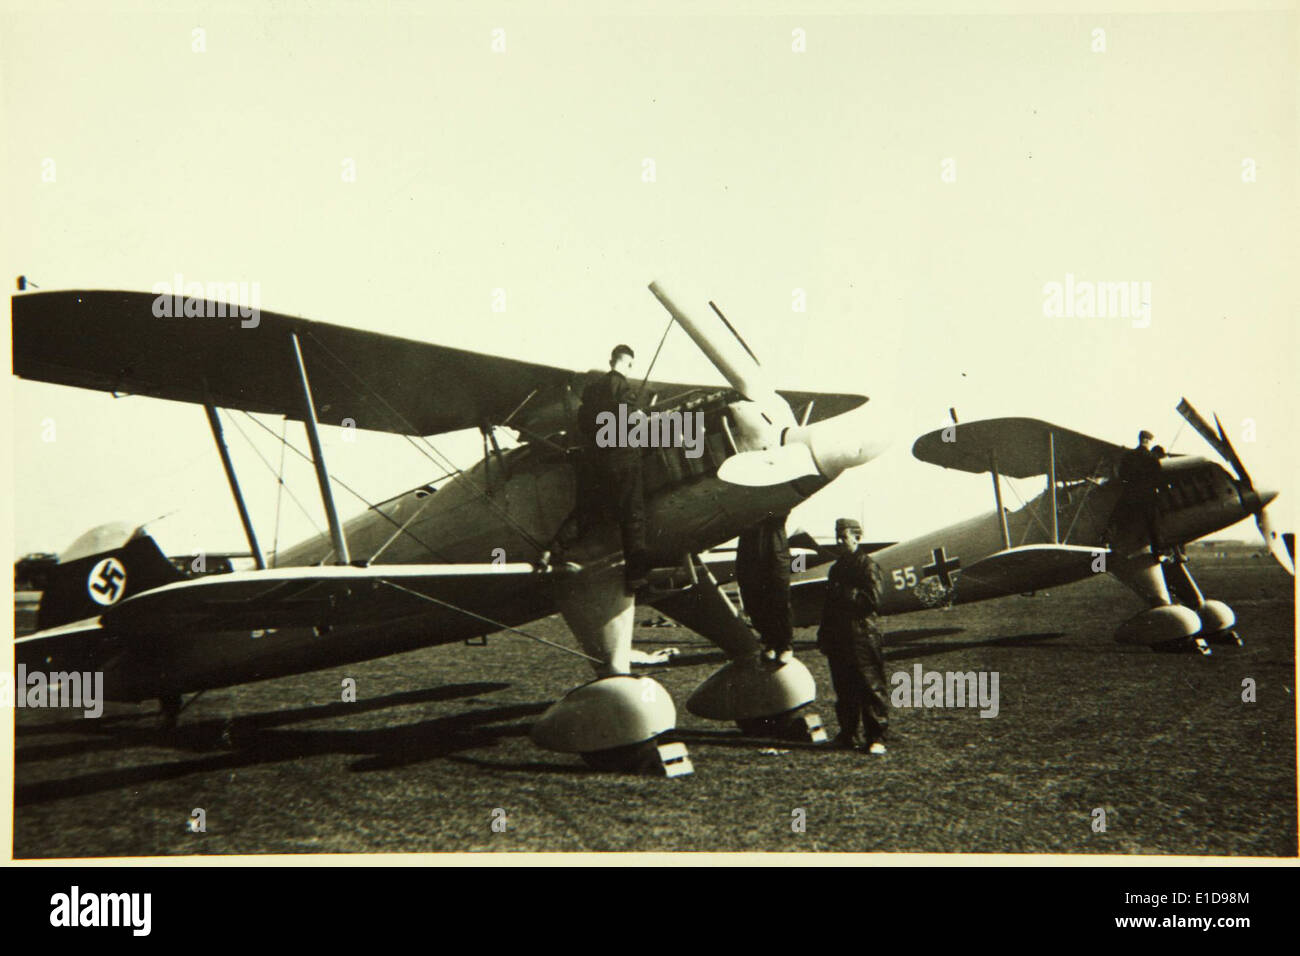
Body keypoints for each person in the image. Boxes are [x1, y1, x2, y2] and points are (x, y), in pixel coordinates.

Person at [578, 344, 649, 592]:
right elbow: (630, 420)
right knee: (633, 516)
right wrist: (640, 417)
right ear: (628, 364)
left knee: (591, 512)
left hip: (598, 462)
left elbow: (584, 424)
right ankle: (636, 578)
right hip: (624, 459)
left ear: (611, 361)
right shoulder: (623, 387)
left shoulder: (592, 390)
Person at [817, 518, 890, 755]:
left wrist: (847, 593)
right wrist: (824, 634)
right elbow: (828, 607)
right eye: (837, 536)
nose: (839, 541)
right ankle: (847, 734)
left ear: (857, 538)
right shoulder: (836, 568)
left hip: (862, 636)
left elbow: (873, 601)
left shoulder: (867, 566)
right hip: (839, 638)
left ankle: (876, 737)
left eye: (844, 536)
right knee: (844, 689)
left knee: (870, 687)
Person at [735, 512, 794, 663]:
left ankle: (784, 645)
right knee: (753, 598)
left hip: (774, 551)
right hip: (749, 553)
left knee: (779, 599)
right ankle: (769, 642)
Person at [1114, 429, 1163, 555]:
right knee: (1154, 523)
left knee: (1121, 518)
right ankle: (1159, 552)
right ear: (1146, 440)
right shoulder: (1153, 458)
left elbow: (1122, 475)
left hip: (1131, 494)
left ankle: (1114, 545)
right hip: (1148, 495)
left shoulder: (1128, 456)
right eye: (1150, 441)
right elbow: (1159, 478)